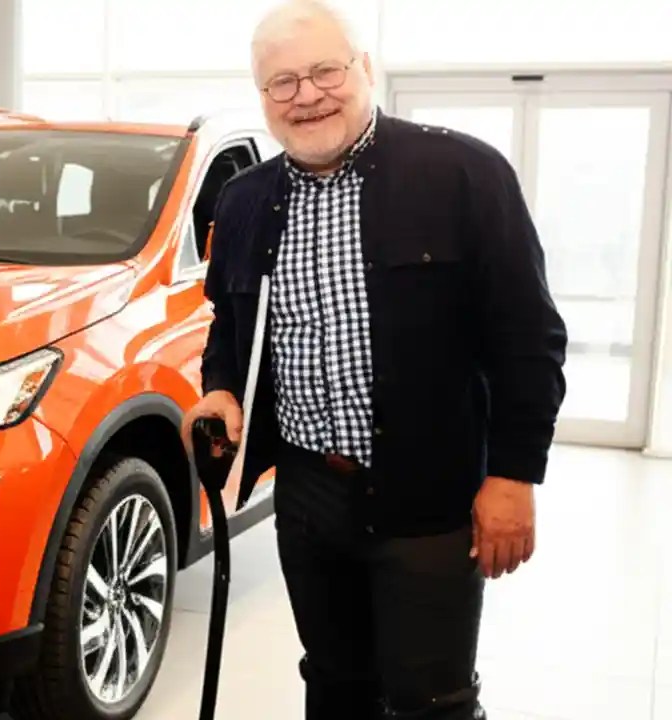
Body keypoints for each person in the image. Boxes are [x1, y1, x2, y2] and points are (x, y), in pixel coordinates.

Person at [180, 1, 568, 718]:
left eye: (325, 70)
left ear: (365, 68)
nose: (306, 95)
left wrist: (513, 476)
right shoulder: (243, 201)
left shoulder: (464, 173)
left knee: (432, 700)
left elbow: (529, 338)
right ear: (262, 96)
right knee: (334, 684)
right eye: (282, 83)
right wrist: (223, 391)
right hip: (305, 494)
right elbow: (229, 327)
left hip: (432, 490)